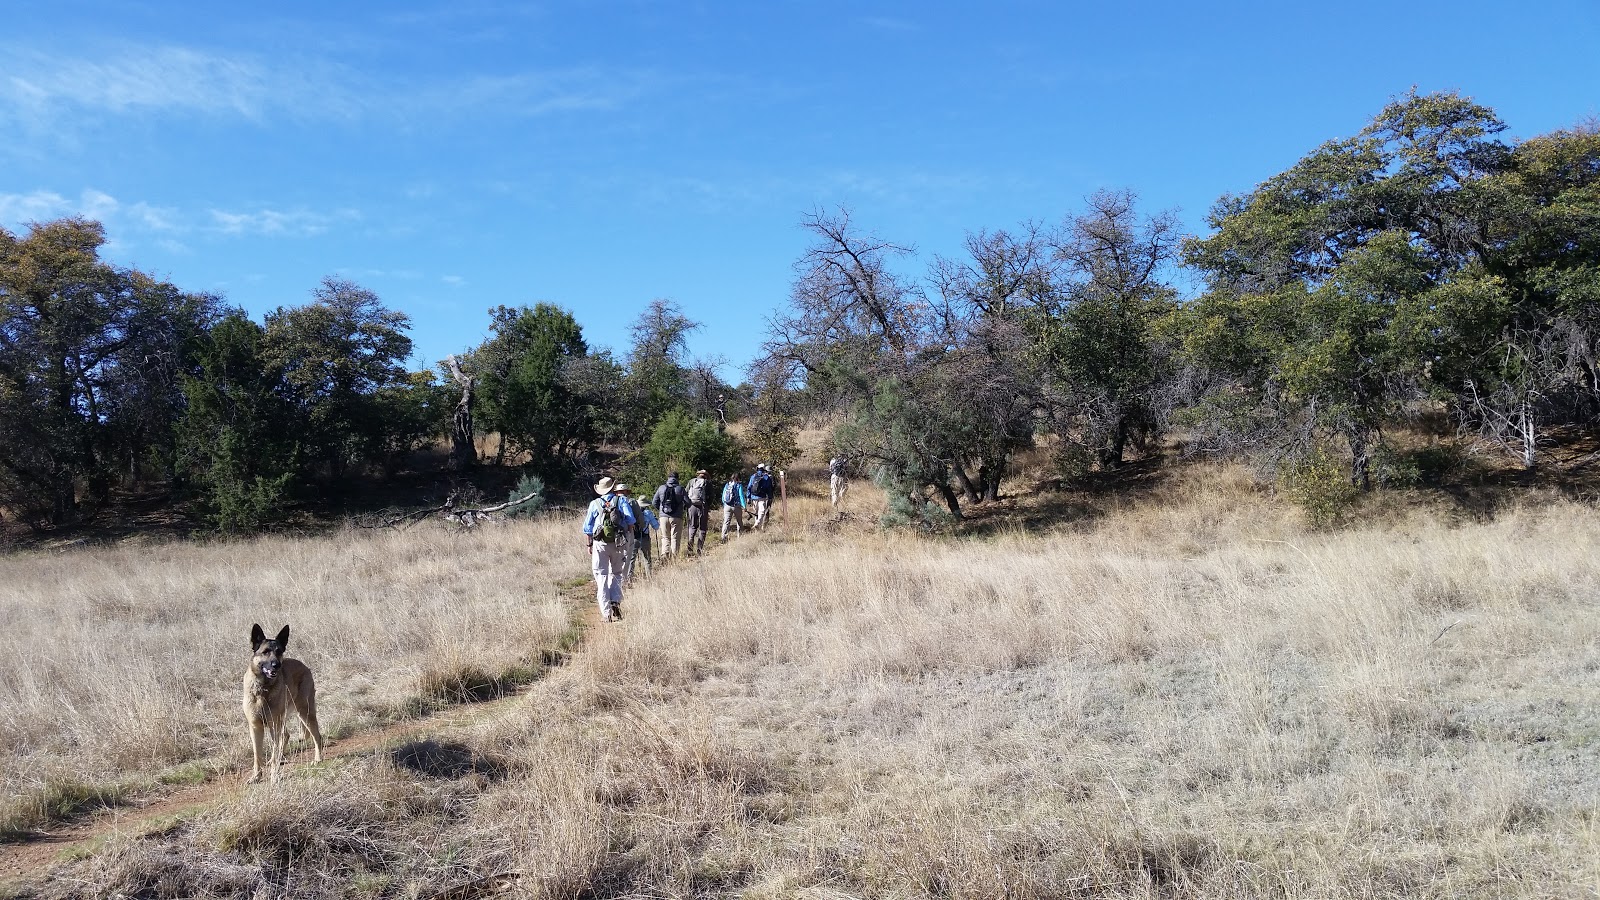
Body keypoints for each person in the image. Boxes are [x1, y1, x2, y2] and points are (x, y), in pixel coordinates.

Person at [582, 476, 635, 622]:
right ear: (613, 488)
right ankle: (615, 601)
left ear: (600, 490)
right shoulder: (621, 500)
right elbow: (631, 520)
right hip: (619, 542)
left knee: (601, 576)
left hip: (600, 544)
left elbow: (587, 528)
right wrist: (628, 538)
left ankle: (606, 614)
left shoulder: (595, 504)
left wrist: (589, 545)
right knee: (617, 573)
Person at [617, 484, 656, 583]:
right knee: (647, 558)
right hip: (636, 534)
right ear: (626, 491)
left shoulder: (612, 501)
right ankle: (650, 578)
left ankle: (627, 580)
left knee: (629, 559)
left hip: (618, 536)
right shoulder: (632, 502)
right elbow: (640, 520)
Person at [652, 471, 688, 559]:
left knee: (665, 537)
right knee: (675, 538)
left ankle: (665, 555)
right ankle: (674, 557)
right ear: (677, 478)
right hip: (676, 517)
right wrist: (682, 509)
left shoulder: (661, 488)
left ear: (668, 478)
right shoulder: (680, 489)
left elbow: (654, 502)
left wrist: (661, 511)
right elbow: (688, 502)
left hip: (663, 517)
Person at [685, 468, 711, 556]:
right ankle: (699, 550)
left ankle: (689, 549)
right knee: (702, 528)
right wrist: (707, 506)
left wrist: (688, 504)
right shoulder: (707, 483)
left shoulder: (691, 482)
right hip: (703, 507)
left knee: (692, 527)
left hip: (692, 506)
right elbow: (711, 496)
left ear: (698, 475)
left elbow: (685, 493)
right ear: (706, 475)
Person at [747, 463, 775, 530]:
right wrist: (770, 497)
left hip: (753, 497)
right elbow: (769, 488)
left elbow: (749, 487)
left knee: (756, 512)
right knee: (762, 512)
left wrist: (748, 497)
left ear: (757, 469)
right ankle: (758, 523)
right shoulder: (766, 477)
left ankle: (757, 525)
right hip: (762, 497)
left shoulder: (753, 476)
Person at [720, 472, 746, 540]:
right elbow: (741, 496)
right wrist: (744, 506)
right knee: (739, 521)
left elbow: (723, 496)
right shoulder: (739, 485)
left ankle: (723, 537)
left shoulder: (727, 484)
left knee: (726, 522)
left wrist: (725, 504)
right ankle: (740, 536)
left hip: (727, 506)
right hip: (736, 506)